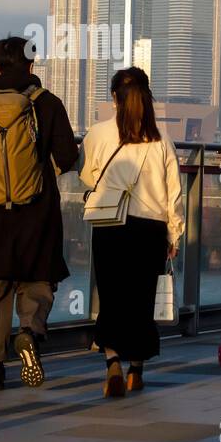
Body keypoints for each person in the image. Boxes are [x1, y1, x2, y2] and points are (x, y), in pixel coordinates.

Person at [0, 36, 78, 391]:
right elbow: (68, 158)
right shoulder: (47, 103)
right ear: (31, 65)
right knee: (37, 280)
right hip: (37, 212)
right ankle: (28, 334)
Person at [80, 67, 184, 395]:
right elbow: (174, 192)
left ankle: (112, 362)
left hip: (110, 224)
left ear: (114, 98)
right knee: (141, 299)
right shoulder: (161, 138)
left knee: (111, 296)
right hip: (150, 226)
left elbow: (88, 176)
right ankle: (136, 370)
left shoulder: (97, 133)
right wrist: (174, 234)